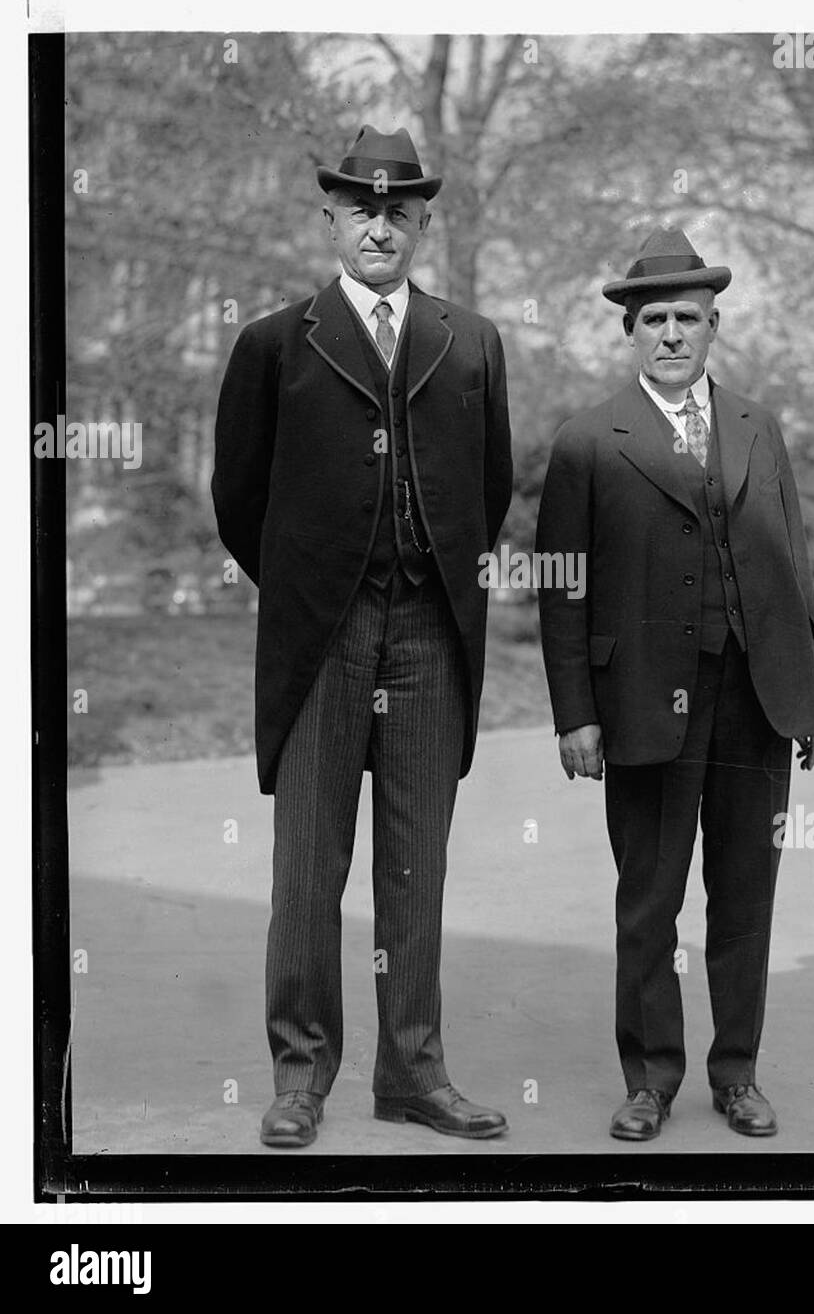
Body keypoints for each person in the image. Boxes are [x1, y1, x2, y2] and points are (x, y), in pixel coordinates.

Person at [212, 125, 513, 1147]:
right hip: (320, 639)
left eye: (398, 211)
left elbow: (490, 486)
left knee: (414, 867)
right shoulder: (271, 343)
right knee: (306, 869)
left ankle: (413, 1074)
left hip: (429, 631)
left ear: (422, 222)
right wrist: (309, 587)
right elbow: (238, 496)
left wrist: (427, 576)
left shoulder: (469, 342)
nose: (378, 226)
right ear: (330, 217)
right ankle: (299, 1076)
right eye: (359, 209)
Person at [536, 227, 814, 1142]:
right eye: (654, 318)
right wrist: (575, 716)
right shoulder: (589, 441)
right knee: (651, 898)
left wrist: (809, 695)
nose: (671, 334)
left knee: (745, 898)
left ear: (714, 326)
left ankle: (735, 1073)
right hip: (641, 705)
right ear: (630, 329)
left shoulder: (756, 428)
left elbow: (791, 564)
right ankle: (651, 1079)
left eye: (688, 319)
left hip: (757, 698)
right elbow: (561, 591)